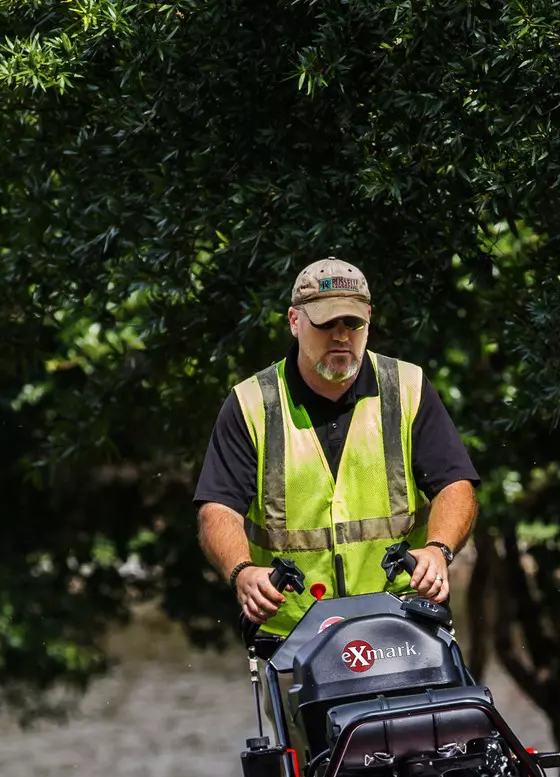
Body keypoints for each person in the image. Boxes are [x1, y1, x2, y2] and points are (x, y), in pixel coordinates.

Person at [194, 258, 479, 641]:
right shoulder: (251, 403)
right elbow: (218, 509)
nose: (341, 336)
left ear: (369, 320)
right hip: (294, 636)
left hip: (401, 623)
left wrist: (437, 551)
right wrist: (242, 571)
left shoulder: (408, 387)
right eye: (326, 324)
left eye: (352, 323)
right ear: (295, 322)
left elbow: (455, 485)